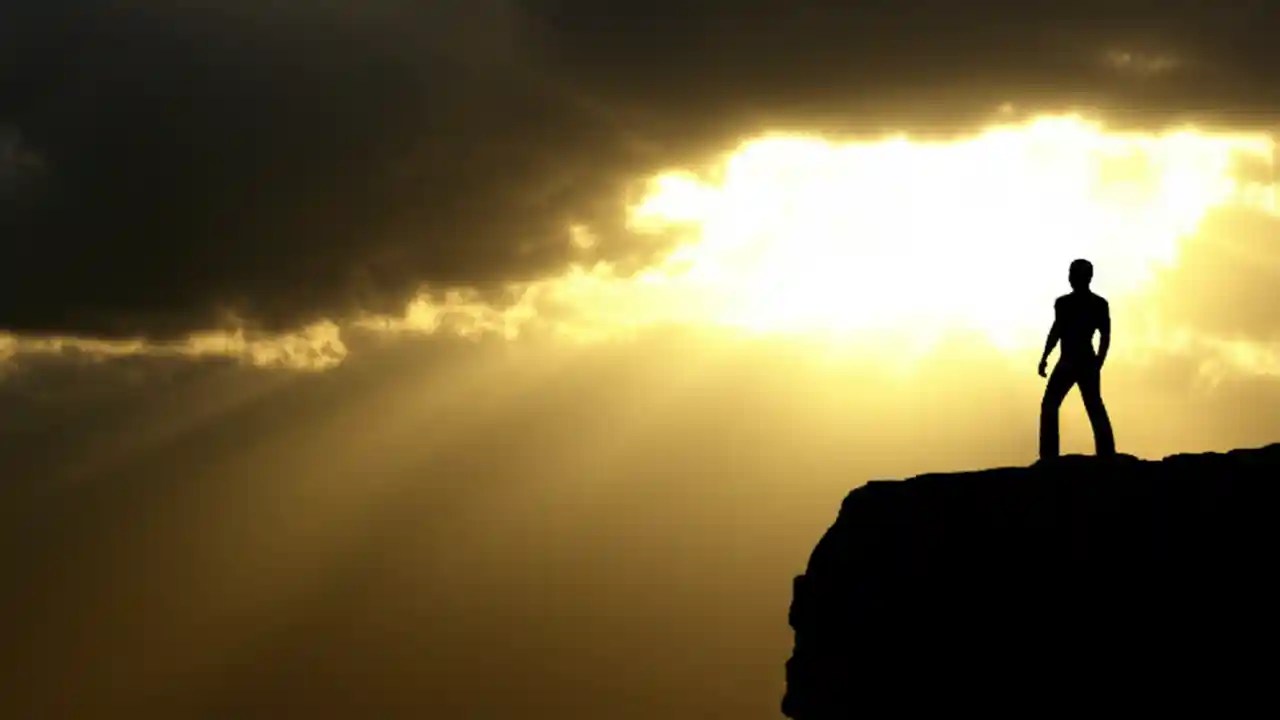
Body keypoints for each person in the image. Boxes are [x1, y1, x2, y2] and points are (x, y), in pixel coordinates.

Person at [1037, 259, 1116, 459]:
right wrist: (1045, 356)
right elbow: (1057, 330)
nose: (1072, 278)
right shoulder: (1067, 303)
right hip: (1075, 361)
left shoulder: (1094, 304)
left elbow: (1105, 335)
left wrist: (1099, 360)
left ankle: (1104, 454)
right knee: (1084, 405)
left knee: (1088, 404)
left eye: (1074, 274)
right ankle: (1050, 456)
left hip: (1076, 361)